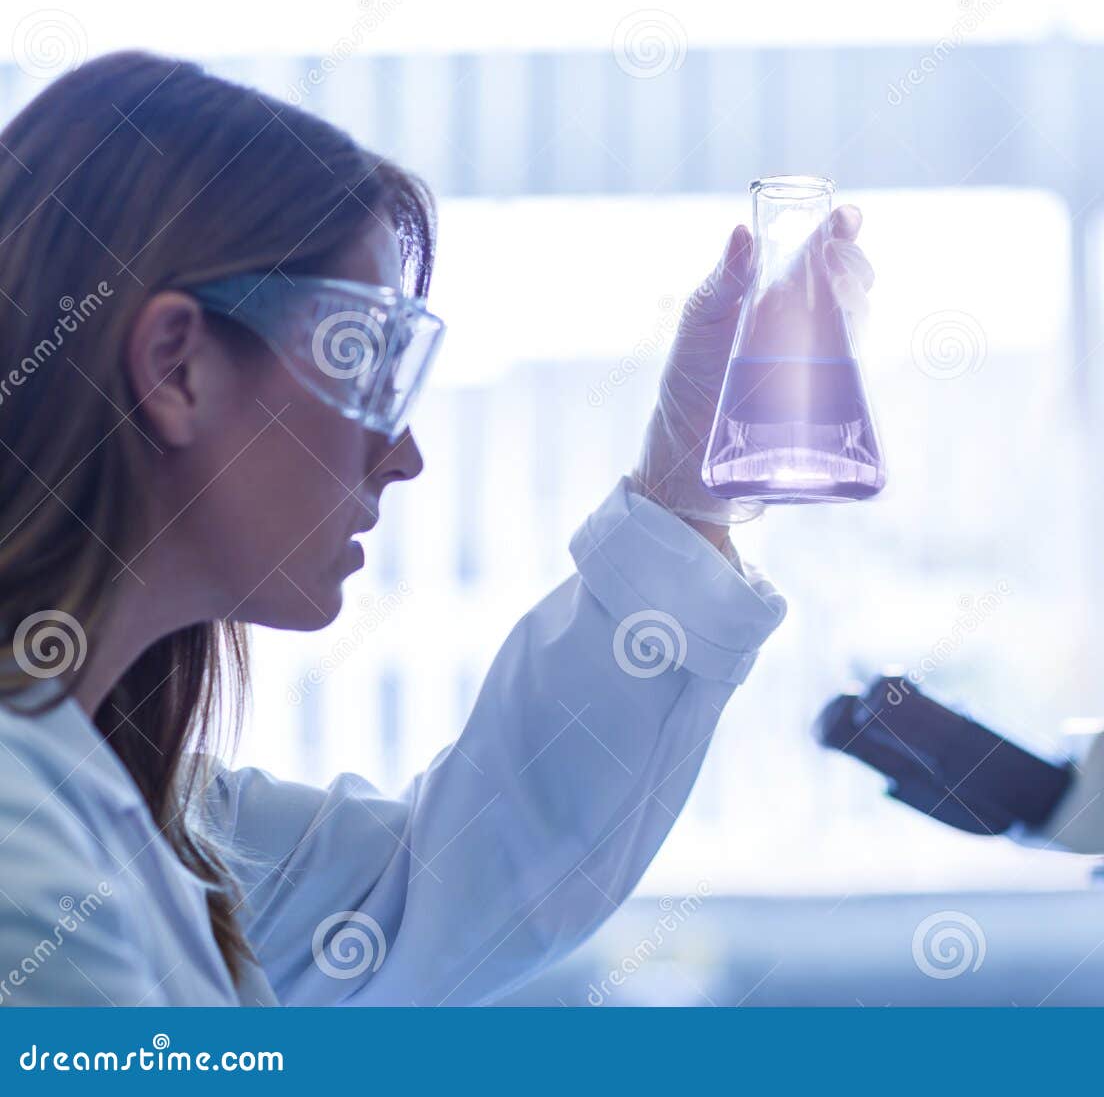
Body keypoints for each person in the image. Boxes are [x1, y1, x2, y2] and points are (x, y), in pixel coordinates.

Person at [0, 52, 872, 1005]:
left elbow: (431, 891)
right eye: (363, 359)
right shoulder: (22, 843)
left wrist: (683, 496)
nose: (402, 454)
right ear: (176, 368)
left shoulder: (122, 805)